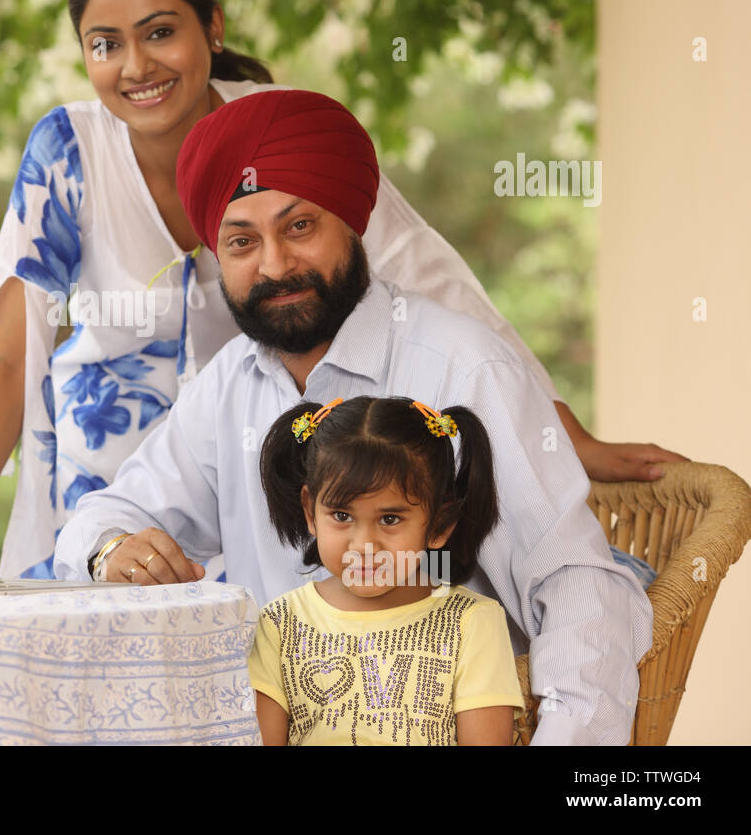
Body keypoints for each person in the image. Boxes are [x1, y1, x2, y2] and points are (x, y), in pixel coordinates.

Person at [0, 0, 684, 581]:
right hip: (102, 499)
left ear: (212, 26)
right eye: (104, 44)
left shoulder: (276, 135)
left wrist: (562, 433)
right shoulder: (68, 152)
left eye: (160, 31)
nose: (136, 66)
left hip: (251, 483)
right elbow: (8, 356)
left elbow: (433, 280)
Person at [54, 88, 653, 745]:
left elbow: (577, 582)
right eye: (242, 241)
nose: (275, 264)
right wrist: (114, 552)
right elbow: (101, 517)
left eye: (299, 227)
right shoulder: (230, 381)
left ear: (352, 220)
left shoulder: (464, 366)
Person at [249, 395, 525, 746]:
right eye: (342, 516)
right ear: (310, 511)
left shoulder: (473, 623)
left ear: (439, 524)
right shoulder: (278, 625)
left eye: (390, 519)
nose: (364, 544)